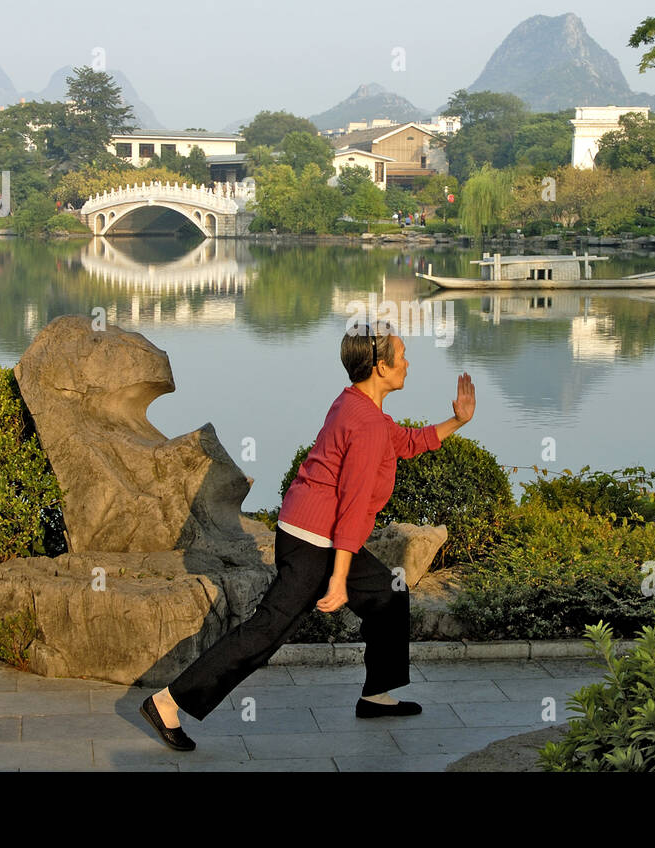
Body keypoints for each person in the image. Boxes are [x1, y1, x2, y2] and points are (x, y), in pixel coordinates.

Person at [140, 322, 477, 751]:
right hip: (312, 541)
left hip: (313, 532)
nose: (408, 362)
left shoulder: (356, 404)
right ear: (379, 366)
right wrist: (337, 579)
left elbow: (405, 441)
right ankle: (167, 702)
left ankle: (376, 694)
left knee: (388, 596)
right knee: (266, 633)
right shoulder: (366, 423)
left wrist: (457, 421)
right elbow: (352, 509)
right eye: (402, 354)